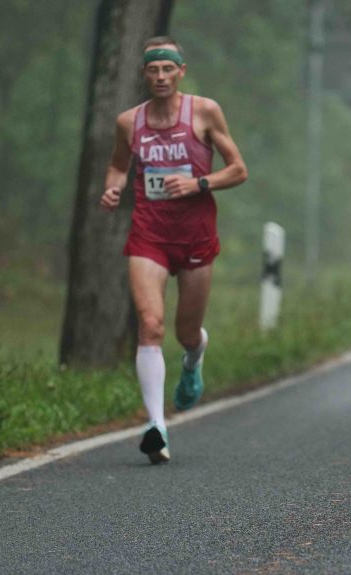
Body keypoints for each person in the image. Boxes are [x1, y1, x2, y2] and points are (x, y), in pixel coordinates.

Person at [100, 37, 248, 464]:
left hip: (196, 236)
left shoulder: (204, 111)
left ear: (181, 71)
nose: (161, 76)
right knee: (150, 324)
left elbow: (238, 170)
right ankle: (156, 426)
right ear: (144, 75)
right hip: (149, 235)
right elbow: (118, 165)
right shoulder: (129, 122)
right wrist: (112, 188)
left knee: (186, 333)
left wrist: (198, 183)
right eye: (153, 70)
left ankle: (193, 357)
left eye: (168, 69)